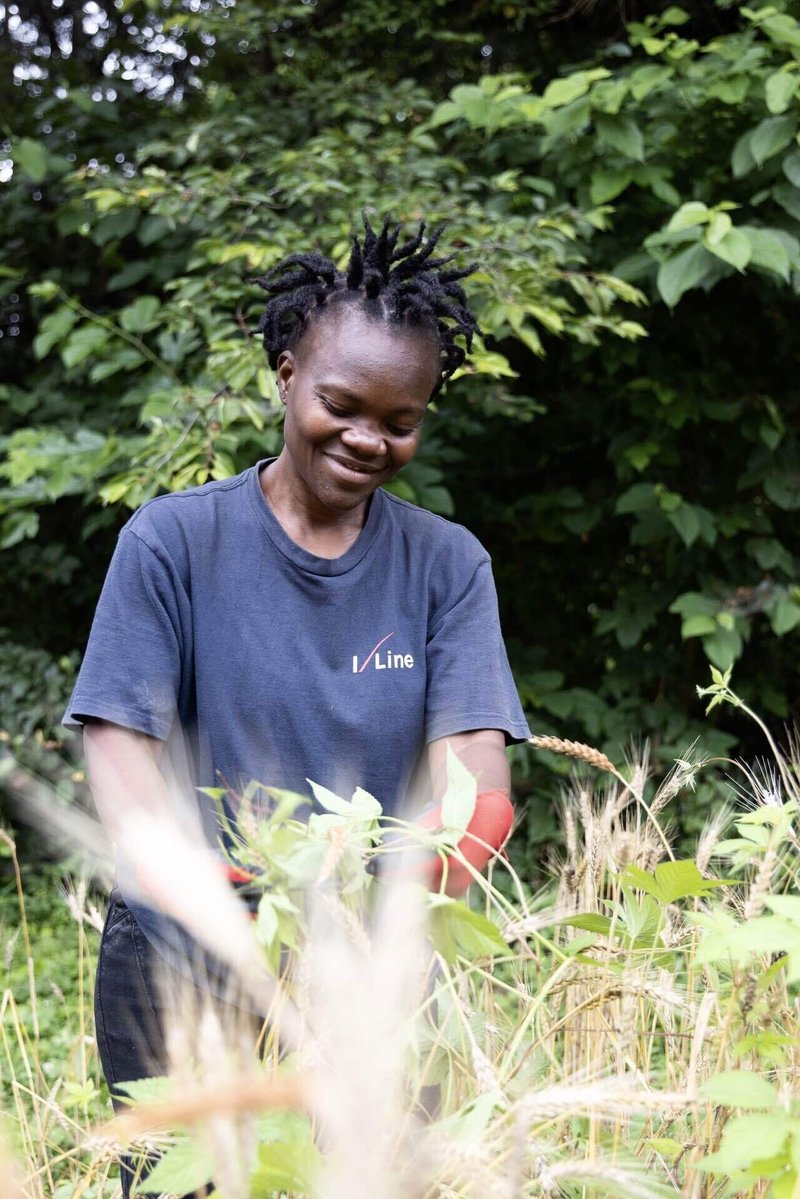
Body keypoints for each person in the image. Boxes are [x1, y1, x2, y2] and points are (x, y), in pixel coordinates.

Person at [63, 216, 530, 1195]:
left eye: (400, 421)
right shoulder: (173, 544)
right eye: (341, 403)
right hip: (182, 959)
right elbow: (119, 760)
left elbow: (475, 781)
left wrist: (396, 941)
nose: (368, 437)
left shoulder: (447, 567)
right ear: (283, 373)